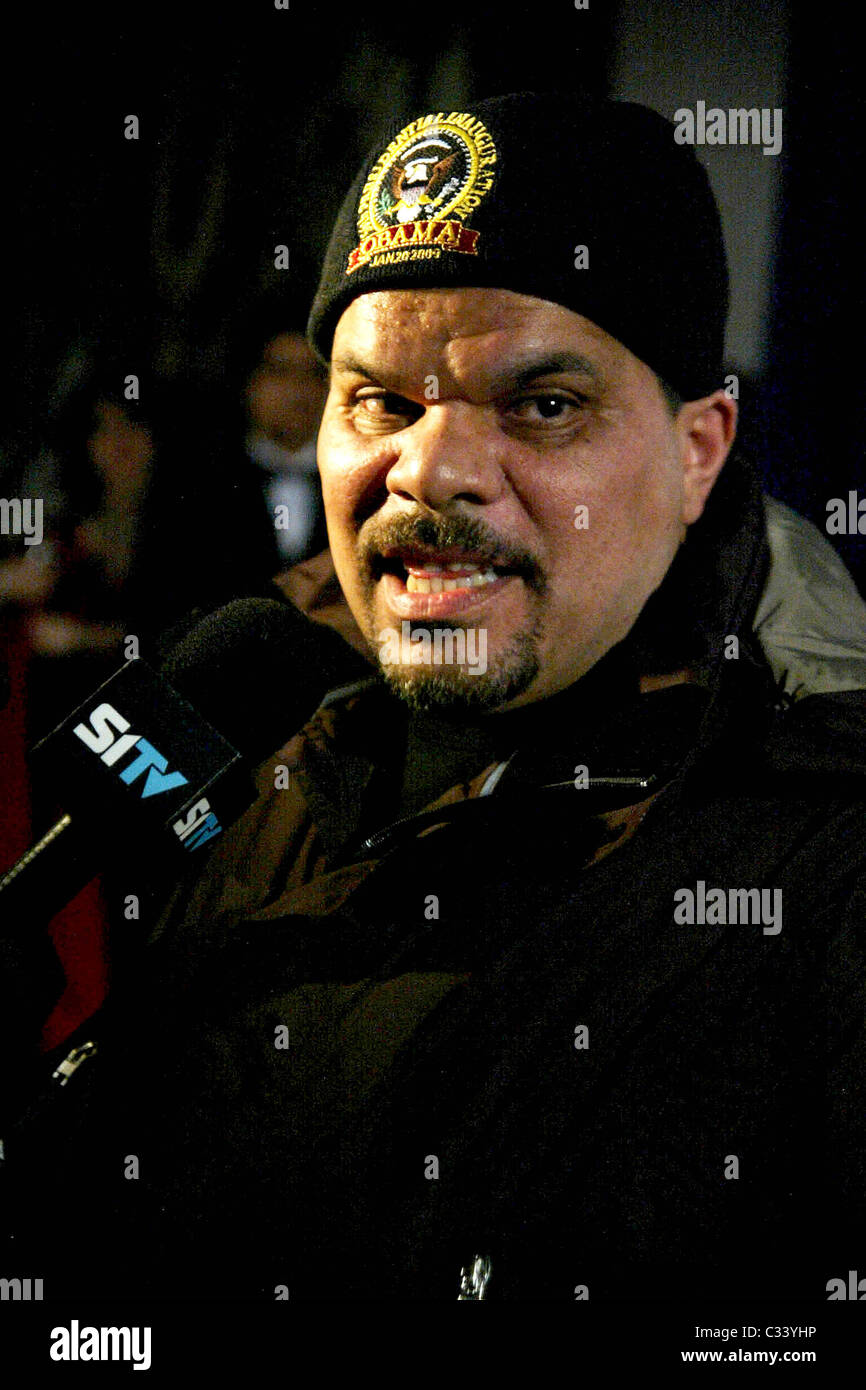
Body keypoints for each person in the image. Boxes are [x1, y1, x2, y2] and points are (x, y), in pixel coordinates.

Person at [6, 91, 866, 1306]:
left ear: (697, 451)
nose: (431, 469)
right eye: (381, 402)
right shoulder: (258, 722)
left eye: (543, 405)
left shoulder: (823, 857)